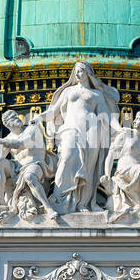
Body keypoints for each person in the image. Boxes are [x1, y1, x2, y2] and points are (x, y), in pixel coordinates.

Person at [43, 61, 120, 213]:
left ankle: (84, 203)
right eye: (76, 71)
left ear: (88, 73)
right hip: (71, 128)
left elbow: (106, 116)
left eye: (80, 71)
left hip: (92, 130)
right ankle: (59, 197)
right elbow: (54, 111)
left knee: (89, 168)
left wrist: (119, 129)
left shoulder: (96, 94)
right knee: (67, 157)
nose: (77, 74)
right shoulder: (68, 91)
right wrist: (40, 118)